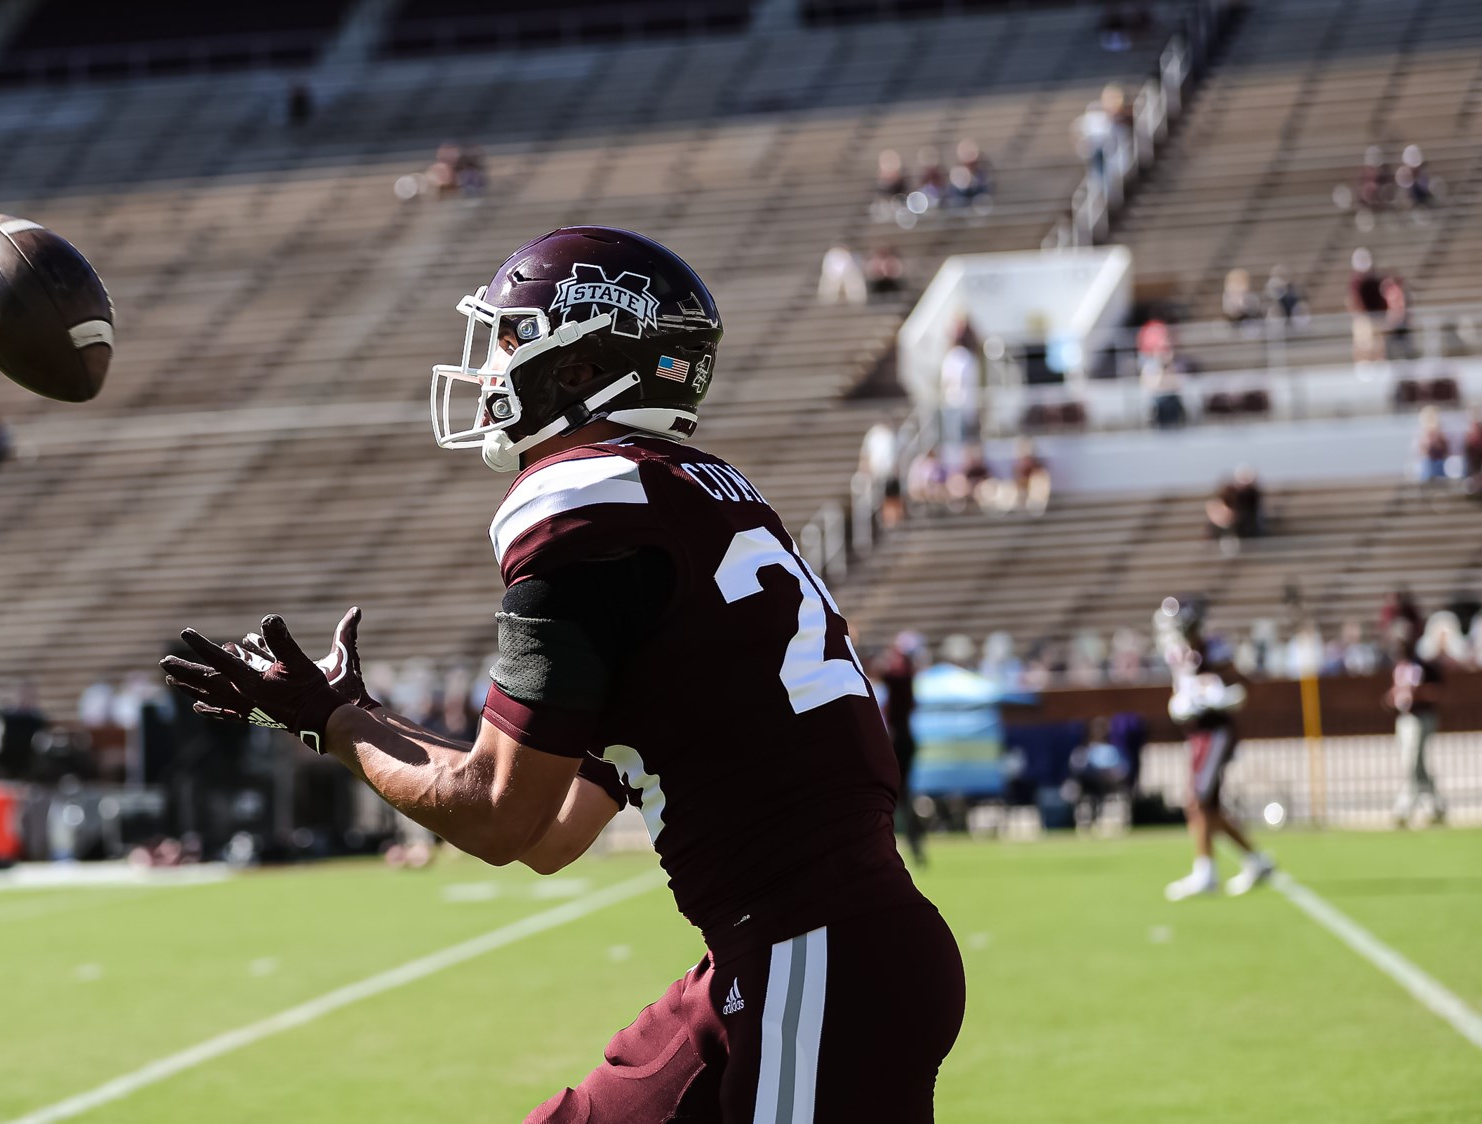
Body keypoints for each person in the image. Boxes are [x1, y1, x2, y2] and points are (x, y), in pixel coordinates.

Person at [162, 227, 963, 1120]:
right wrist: (355, 713)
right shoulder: (695, 494)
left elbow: (498, 815)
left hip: (808, 963)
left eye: (507, 339)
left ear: (579, 366)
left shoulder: (582, 499)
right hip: (799, 954)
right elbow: (551, 833)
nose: (487, 369)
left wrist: (332, 723)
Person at [1154, 600, 1275, 900]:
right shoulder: (1179, 653)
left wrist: (1221, 696)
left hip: (1215, 732)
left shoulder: (1213, 649)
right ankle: (1255, 860)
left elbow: (1239, 687)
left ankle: (1205, 871)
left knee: (1198, 800)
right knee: (1206, 806)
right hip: (1197, 733)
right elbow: (1183, 690)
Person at [875, 632, 926, 867]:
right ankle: (914, 843)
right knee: (904, 795)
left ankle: (901, 842)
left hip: (898, 741)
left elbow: (879, 671)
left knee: (896, 795)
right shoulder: (908, 681)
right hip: (906, 739)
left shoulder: (898, 681)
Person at [1386, 633, 1446, 827]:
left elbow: (1437, 691)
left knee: (1412, 762)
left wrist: (1418, 694)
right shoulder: (1399, 667)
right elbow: (1397, 692)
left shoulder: (1424, 666)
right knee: (1416, 764)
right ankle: (1436, 806)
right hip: (1404, 719)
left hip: (1421, 717)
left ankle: (1403, 808)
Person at [939, 334, 979, 446]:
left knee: (956, 437)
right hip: (961, 402)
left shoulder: (954, 357)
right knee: (961, 437)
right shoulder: (966, 357)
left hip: (954, 401)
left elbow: (946, 380)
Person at [1413, 406, 1454, 483]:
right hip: (1428, 465)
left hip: (1439, 463)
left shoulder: (1441, 435)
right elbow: (1419, 452)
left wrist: (1438, 442)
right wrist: (1427, 444)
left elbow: (1446, 449)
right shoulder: (1421, 435)